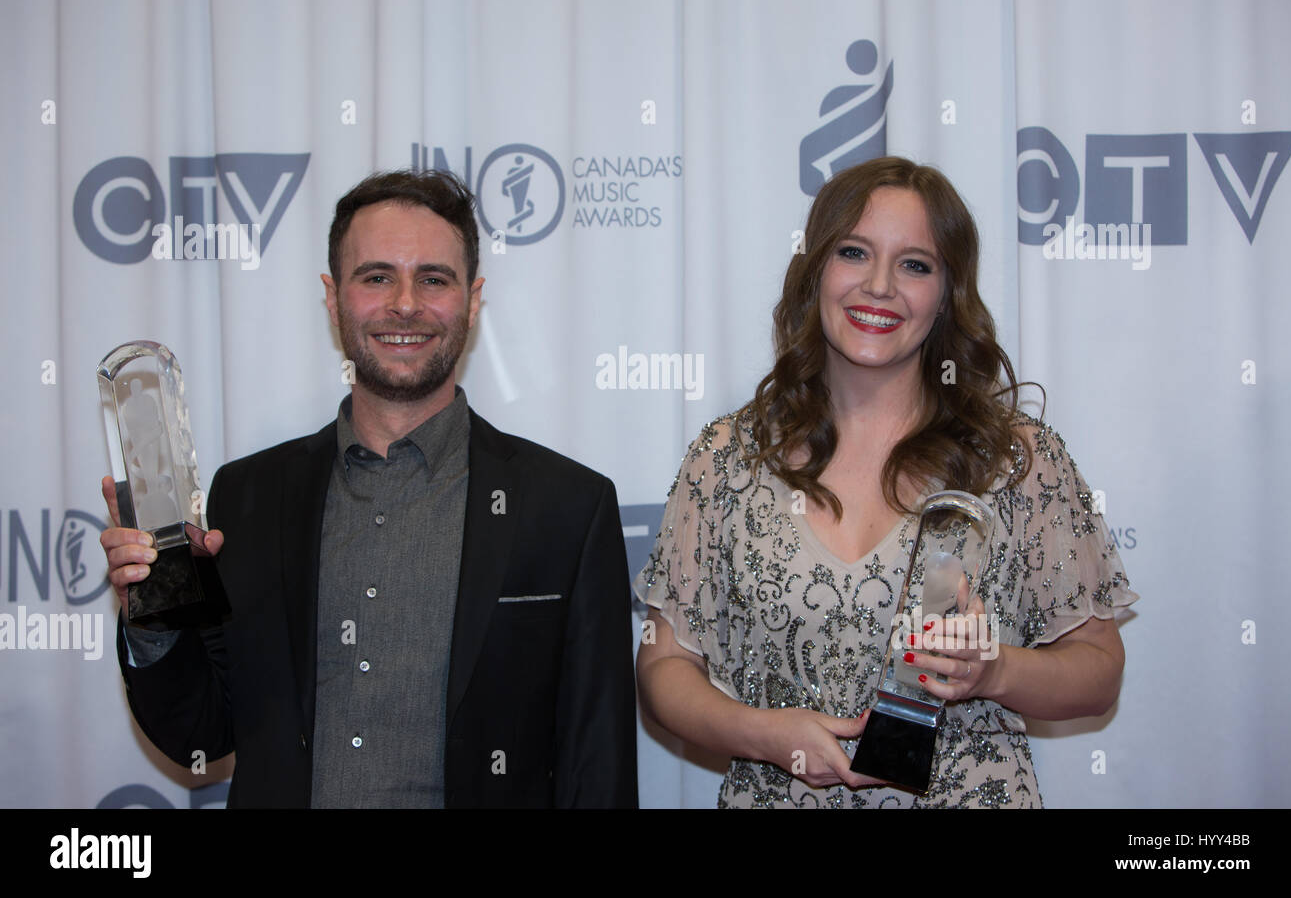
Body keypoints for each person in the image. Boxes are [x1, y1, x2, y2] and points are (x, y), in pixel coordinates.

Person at [100, 169, 638, 808]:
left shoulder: (568, 507)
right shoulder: (246, 496)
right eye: (376, 276)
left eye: (434, 279)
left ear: (472, 298)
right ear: (332, 298)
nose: (405, 304)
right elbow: (203, 732)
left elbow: (596, 768)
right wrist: (154, 605)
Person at [634, 156, 1136, 808]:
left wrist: (996, 670)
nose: (879, 286)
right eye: (854, 252)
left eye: (915, 265)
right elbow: (665, 665)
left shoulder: (1016, 461)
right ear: (816, 273)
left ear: (947, 292)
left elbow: (1099, 672)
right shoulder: (728, 459)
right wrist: (763, 733)